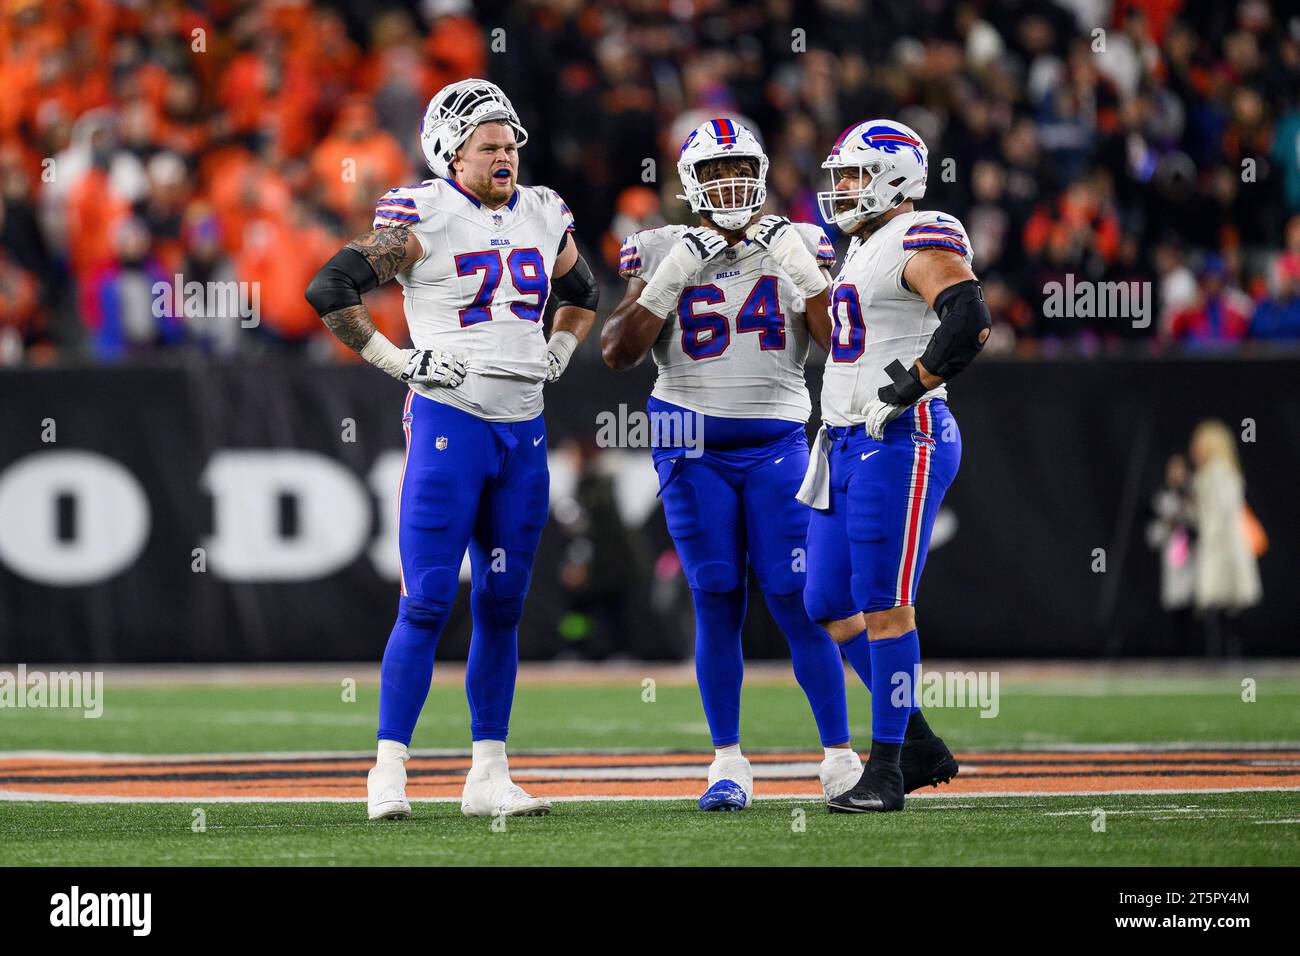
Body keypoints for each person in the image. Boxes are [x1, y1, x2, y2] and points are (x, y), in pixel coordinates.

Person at [305, 79, 599, 820]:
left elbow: (584, 292)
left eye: (510, 145)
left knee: (504, 604)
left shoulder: (543, 210)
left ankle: (488, 774)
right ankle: (388, 771)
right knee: (428, 598)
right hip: (450, 423)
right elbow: (330, 286)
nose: (505, 158)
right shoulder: (422, 214)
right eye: (488, 147)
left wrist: (561, 346)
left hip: (523, 429)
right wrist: (398, 361)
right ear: (450, 152)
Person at [601, 118, 862, 811]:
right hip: (687, 430)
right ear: (690, 182)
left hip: (775, 432)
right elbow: (617, 352)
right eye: (713, 171)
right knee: (715, 591)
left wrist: (805, 274)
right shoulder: (658, 244)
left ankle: (839, 756)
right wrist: (673, 273)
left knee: (796, 595)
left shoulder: (802, 239)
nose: (728, 182)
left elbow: (845, 347)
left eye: (738, 167)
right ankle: (727, 762)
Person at [801, 120, 991, 812]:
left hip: (901, 438)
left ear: (895, 177)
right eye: (841, 175)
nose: (842, 189)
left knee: (885, 606)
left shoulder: (922, 231)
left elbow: (967, 316)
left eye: (855, 174)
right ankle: (914, 740)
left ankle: (885, 770)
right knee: (826, 599)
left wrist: (910, 384)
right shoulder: (863, 249)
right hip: (845, 441)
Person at [1188, 420, 1262, 657]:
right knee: (1222, 604)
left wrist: (1210, 540)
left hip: (1223, 547)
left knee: (1223, 601)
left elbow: (1220, 514)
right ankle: (1222, 655)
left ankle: (1225, 656)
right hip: (1218, 545)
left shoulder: (1219, 473)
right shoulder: (1211, 474)